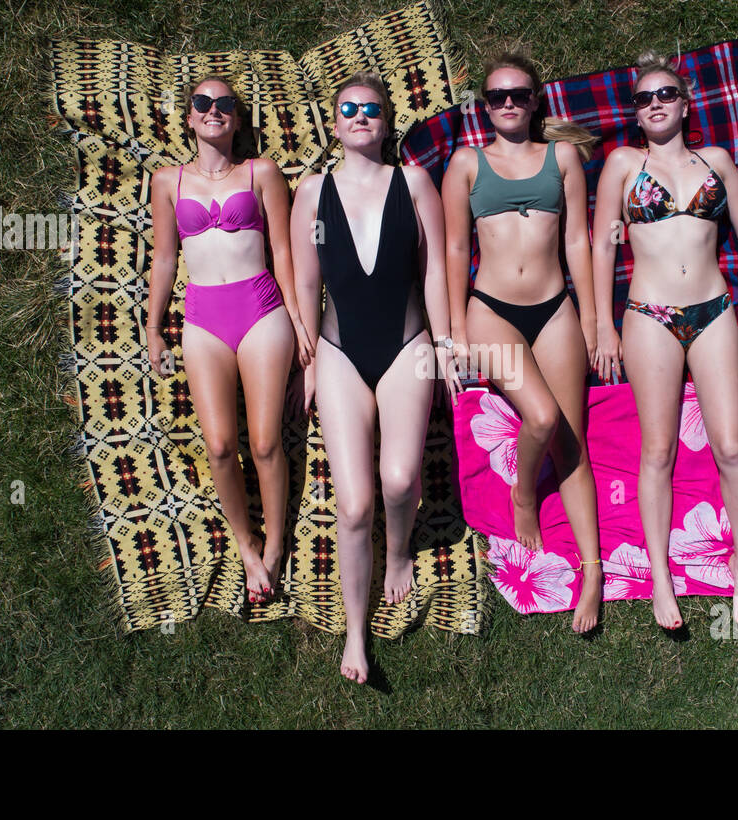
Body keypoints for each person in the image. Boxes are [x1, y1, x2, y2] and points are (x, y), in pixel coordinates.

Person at [591, 52, 738, 628]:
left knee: (730, 448)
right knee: (658, 451)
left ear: (685, 101)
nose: (655, 104)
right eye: (645, 98)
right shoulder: (622, 163)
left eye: (665, 94)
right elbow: (601, 246)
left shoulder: (715, 160)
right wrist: (601, 323)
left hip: (715, 310)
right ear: (635, 112)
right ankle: (661, 581)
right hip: (648, 315)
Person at [290, 72, 458, 684]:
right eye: (349, 110)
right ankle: (355, 636)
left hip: (407, 345)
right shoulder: (312, 194)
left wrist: (442, 343)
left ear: (385, 123)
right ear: (335, 124)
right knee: (354, 502)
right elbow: (306, 281)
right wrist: (308, 360)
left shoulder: (413, 184)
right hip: (338, 350)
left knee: (399, 478)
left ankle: (399, 550)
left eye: (371, 110)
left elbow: (436, 268)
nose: (360, 117)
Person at [441, 50, 606, 634]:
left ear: (535, 101)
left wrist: (594, 322)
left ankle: (592, 575)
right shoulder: (465, 164)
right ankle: (523, 497)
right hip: (491, 311)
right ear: (484, 107)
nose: (507, 103)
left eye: (517, 94)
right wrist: (456, 333)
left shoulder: (562, 157)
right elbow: (455, 251)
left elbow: (580, 244)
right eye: (495, 97)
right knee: (540, 419)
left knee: (574, 445)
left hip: (554, 306)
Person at [146, 75, 311, 605]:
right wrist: (152, 328)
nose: (213, 111)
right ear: (189, 117)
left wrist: (303, 323)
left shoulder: (261, 173)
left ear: (237, 119)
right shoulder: (166, 181)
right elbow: (166, 258)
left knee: (264, 442)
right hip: (202, 319)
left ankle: (277, 547)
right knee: (219, 446)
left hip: (262, 310)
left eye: (225, 105)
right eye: (203, 103)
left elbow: (283, 252)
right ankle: (246, 545)